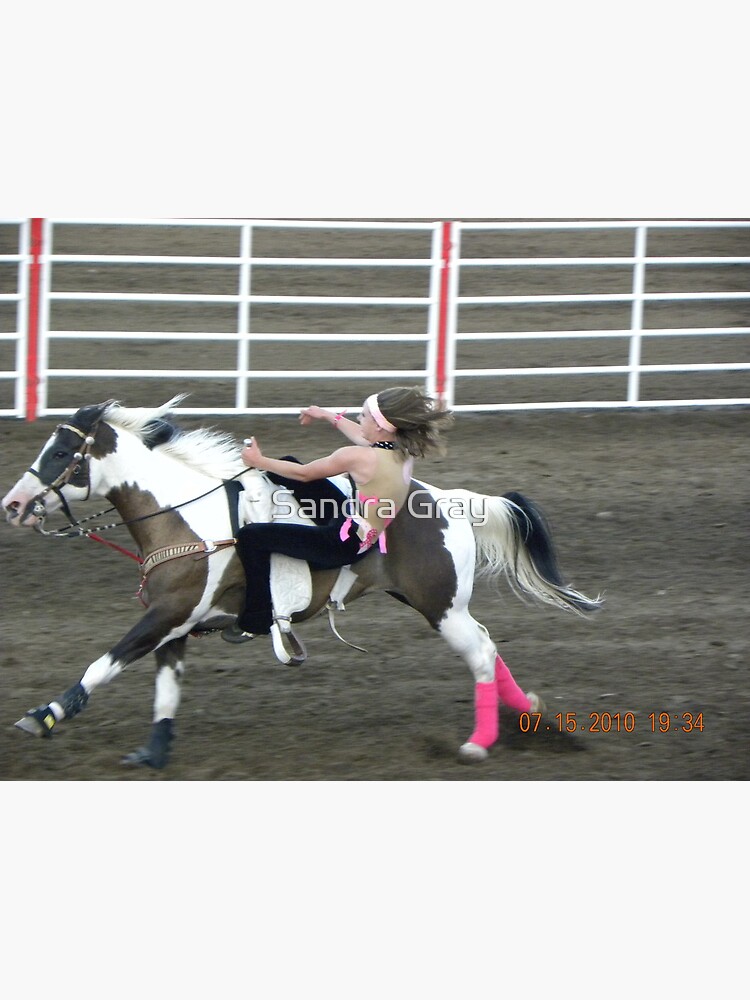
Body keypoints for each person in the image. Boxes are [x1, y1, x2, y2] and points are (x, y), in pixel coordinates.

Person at [222, 386, 453, 643]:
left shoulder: (358, 457)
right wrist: (326, 415)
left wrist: (259, 461)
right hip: (353, 521)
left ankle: (255, 620)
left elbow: (305, 474)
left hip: (343, 543)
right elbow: (362, 436)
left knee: (252, 536)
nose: (359, 419)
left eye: (364, 416)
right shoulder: (401, 448)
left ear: (381, 427)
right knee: (287, 462)